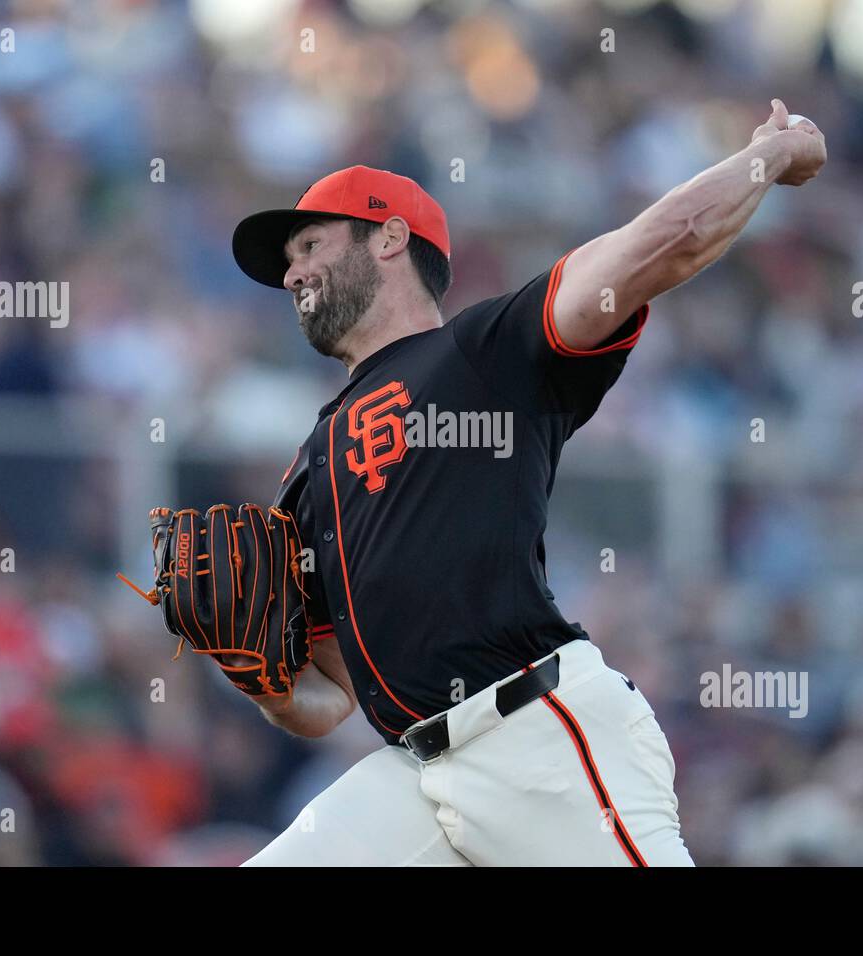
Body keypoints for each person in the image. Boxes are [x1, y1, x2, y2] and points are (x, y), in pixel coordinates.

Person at [229, 100, 825, 866]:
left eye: (309, 244)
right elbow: (331, 698)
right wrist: (265, 683)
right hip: (417, 772)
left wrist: (768, 157)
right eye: (288, 260)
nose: (292, 272)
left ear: (387, 236)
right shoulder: (310, 463)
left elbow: (667, 242)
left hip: (537, 736)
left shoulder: (482, 352)